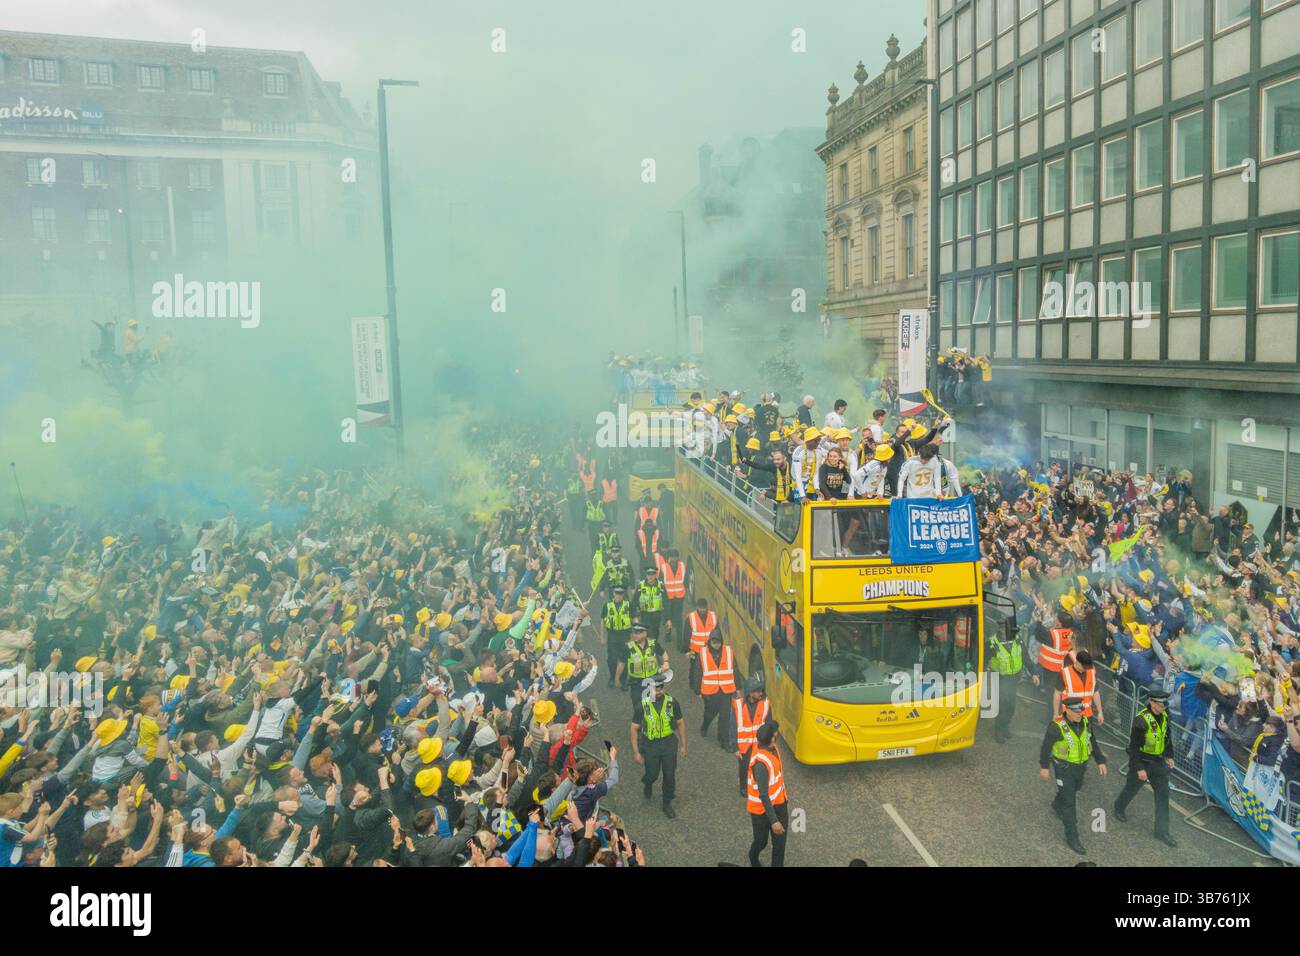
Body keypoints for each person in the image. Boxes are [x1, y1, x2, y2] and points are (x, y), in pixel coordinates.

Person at [1038, 698, 1108, 855]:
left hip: (1080, 767)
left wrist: (1100, 761)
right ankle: (1072, 837)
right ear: (1067, 710)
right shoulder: (1056, 727)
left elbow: (1093, 742)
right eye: (1076, 711)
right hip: (1064, 768)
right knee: (1070, 803)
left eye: (1081, 711)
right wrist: (1044, 767)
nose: (1079, 714)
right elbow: (1046, 747)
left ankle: (1057, 804)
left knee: (1074, 789)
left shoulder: (1086, 723)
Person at [1113, 689, 1178, 848]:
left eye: (1165, 704)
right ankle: (1119, 807)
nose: (1164, 706)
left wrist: (1169, 755)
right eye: (1161, 704)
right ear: (1151, 702)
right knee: (1132, 788)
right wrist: (1140, 769)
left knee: (1163, 795)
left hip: (1158, 762)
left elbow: (1166, 738)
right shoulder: (1141, 720)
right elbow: (1133, 748)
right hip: (1141, 760)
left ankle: (1161, 831)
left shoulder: (1164, 716)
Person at [631, 676, 685, 819]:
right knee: (652, 774)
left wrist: (683, 745)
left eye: (661, 688)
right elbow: (634, 728)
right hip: (650, 744)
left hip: (668, 743)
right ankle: (648, 782)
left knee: (669, 774)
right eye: (656, 689)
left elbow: (680, 723)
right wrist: (636, 752)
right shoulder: (642, 705)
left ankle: (666, 802)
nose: (659, 691)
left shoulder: (672, 702)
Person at [746, 720, 788, 867]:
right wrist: (774, 820)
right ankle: (753, 856)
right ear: (770, 739)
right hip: (761, 811)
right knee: (761, 842)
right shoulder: (760, 765)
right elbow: (763, 794)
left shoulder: (771, 747)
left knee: (780, 845)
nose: (777, 736)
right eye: (775, 734)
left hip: (780, 804)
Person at [691, 630, 737, 748]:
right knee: (710, 713)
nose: (716, 645)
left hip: (726, 690)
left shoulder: (728, 651)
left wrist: (739, 687)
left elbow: (735, 669)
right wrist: (697, 689)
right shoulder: (702, 653)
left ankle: (724, 741)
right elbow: (697, 671)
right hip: (710, 691)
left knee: (725, 716)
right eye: (714, 642)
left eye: (718, 642)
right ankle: (705, 725)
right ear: (709, 642)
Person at [728, 675, 770, 797]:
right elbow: (732, 727)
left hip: (759, 745)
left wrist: (769, 744)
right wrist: (735, 748)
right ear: (751, 693)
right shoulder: (737, 705)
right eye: (758, 691)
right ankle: (744, 787)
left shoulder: (765, 704)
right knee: (744, 768)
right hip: (744, 746)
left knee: (759, 767)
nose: (760, 693)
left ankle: (757, 786)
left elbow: (769, 725)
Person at [615, 623, 668, 714]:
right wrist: (617, 679)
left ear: (645, 634)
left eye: (638, 633)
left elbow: (663, 653)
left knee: (654, 704)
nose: (635, 635)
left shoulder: (653, 643)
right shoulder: (628, 647)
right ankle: (639, 725)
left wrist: (666, 662)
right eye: (634, 633)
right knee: (638, 707)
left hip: (652, 680)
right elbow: (621, 664)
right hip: (636, 683)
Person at [987, 619, 1023, 744]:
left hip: (1013, 678)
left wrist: (1034, 672)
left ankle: (1005, 726)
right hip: (1000, 678)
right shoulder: (992, 642)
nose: (1003, 630)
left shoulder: (1016, 638)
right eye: (1001, 628)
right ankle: (999, 731)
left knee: (1011, 706)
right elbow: (985, 657)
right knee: (1003, 705)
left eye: (1005, 628)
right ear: (999, 629)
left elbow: (1025, 655)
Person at [895, 442, 961, 499]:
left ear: (931, 457)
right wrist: (899, 495)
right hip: (913, 497)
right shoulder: (910, 462)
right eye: (922, 458)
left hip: (929, 497)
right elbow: (901, 478)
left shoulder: (935, 462)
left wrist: (938, 494)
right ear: (919, 454)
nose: (923, 461)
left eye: (926, 459)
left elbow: (937, 478)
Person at [601, 585, 633, 688]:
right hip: (612, 635)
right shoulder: (607, 605)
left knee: (625, 658)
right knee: (612, 658)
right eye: (617, 594)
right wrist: (602, 637)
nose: (619, 596)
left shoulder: (628, 605)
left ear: (623, 595)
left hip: (625, 635)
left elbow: (634, 619)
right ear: (614, 594)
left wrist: (634, 636)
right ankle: (612, 677)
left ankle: (623, 680)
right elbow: (602, 621)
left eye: (621, 594)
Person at [657, 548, 687, 650]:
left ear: (677, 557)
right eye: (672, 557)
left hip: (679, 598)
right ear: (669, 558)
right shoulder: (664, 568)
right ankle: (668, 634)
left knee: (678, 620)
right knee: (668, 617)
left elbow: (685, 580)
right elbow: (661, 582)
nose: (673, 559)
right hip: (667, 598)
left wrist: (683, 593)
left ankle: (680, 643)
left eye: (675, 557)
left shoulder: (682, 567)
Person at [631, 566, 665, 642]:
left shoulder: (661, 586)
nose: (650, 577)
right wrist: (633, 616)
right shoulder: (641, 586)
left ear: (656, 575)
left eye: (652, 574)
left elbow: (666, 602)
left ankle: (653, 648)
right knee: (649, 633)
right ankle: (651, 650)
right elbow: (634, 601)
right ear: (646, 575)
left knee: (655, 633)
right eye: (649, 574)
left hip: (657, 614)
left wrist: (668, 618)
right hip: (645, 614)